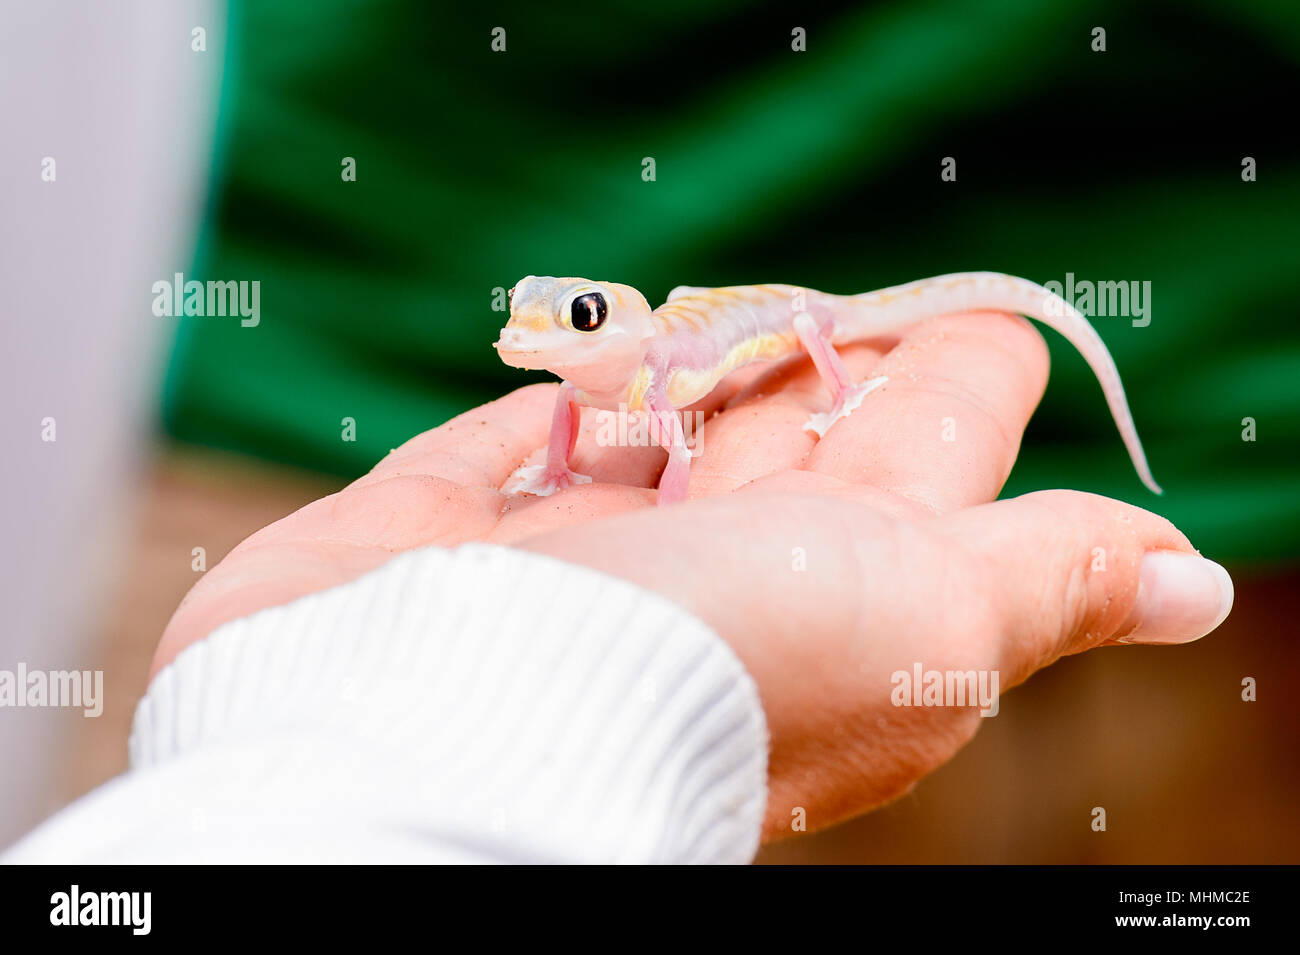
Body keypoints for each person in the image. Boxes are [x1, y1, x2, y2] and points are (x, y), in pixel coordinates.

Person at [3, 312, 1232, 863]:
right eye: (534, 322)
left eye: (572, 318)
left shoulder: (674, 370)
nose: (540, 338)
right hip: (266, 401)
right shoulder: (583, 396)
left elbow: (684, 433)